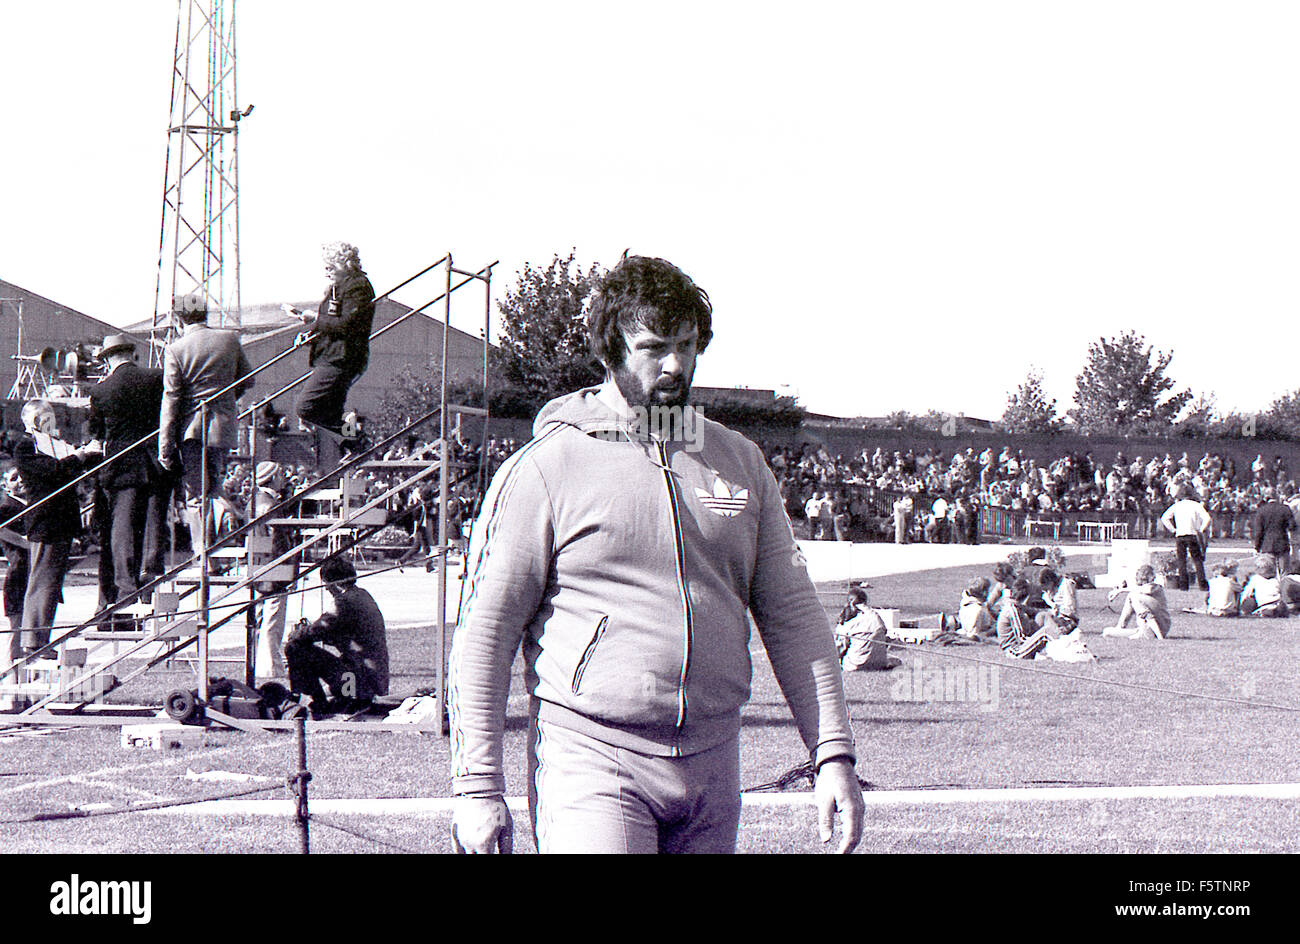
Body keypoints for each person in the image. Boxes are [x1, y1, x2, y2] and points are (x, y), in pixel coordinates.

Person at [448, 255, 863, 854]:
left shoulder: (740, 461)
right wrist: (477, 786)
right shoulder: (545, 469)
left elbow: (795, 616)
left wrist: (832, 755)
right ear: (609, 349)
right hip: (591, 758)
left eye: (689, 345)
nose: (675, 364)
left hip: (714, 762)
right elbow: (485, 633)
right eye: (653, 347)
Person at [5, 401, 101, 705]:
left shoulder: (55, 443)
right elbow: (52, 471)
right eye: (44, 417)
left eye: (51, 416)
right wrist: (78, 456)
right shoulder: (26, 445)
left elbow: (69, 469)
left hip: (61, 519)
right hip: (45, 520)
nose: (50, 421)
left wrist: (84, 455)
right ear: (32, 419)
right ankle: (34, 639)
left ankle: (40, 636)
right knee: (42, 580)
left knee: (51, 582)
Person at [157, 299, 253, 559]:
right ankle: (222, 535)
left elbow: (171, 400)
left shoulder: (176, 349)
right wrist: (226, 400)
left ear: (178, 320)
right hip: (223, 427)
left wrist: (165, 447)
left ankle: (203, 554)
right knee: (215, 486)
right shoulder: (230, 340)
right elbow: (248, 379)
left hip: (192, 431)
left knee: (196, 494)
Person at [87, 334, 168, 609]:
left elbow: (96, 433)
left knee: (122, 528)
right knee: (154, 522)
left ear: (108, 359)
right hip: (156, 460)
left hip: (120, 465)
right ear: (133, 354)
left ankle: (126, 586)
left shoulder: (100, 391)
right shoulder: (156, 378)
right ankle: (151, 575)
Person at [288, 242, 376, 450]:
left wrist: (314, 319)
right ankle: (354, 445)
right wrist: (311, 334)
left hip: (342, 359)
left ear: (346, 264)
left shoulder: (358, 287)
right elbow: (331, 324)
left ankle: (356, 440)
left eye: (331, 266)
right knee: (331, 413)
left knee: (306, 407)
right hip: (331, 355)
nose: (327, 271)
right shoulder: (336, 289)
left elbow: (346, 325)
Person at [284, 555, 387, 714]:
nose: (325, 588)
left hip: (357, 680)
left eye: (326, 583)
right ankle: (328, 700)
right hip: (373, 679)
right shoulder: (362, 595)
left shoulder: (344, 601)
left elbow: (317, 630)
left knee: (294, 648)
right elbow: (336, 632)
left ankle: (312, 700)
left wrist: (298, 632)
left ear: (336, 582)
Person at [251, 461, 298, 681]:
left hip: (259, 565)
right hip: (275, 568)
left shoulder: (255, 502)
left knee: (261, 619)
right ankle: (270, 667)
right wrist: (290, 569)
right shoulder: (270, 505)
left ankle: (259, 664)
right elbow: (280, 541)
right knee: (273, 621)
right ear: (273, 477)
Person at [1159, 485, 1211, 591]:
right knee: (1197, 560)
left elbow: (1164, 518)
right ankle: (1202, 584)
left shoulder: (1177, 505)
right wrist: (1201, 529)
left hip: (1180, 534)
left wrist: (1173, 529)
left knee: (1181, 560)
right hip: (1192, 534)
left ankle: (1183, 584)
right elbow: (1207, 518)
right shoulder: (1196, 505)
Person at [1104, 564, 1172, 639]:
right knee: (1107, 631)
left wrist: (1120, 590)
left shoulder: (1156, 587)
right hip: (1146, 629)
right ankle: (1121, 626)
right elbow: (1141, 589)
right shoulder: (1140, 591)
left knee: (1134, 597)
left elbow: (1147, 589)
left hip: (1157, 628)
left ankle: (1123, 628)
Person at [833, 587, 893, 670]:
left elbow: (839, 648)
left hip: (854, 665)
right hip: (880, 664)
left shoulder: (849, 624)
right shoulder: (876, 617)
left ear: (851, 603)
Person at [1252, 486, 1294, 578]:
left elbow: (1259, 531)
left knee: (1268, 572)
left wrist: (1256, 546)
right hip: (1282, 542)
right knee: (1284, 573)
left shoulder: (1261, 510)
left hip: (1267, 544)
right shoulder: (1285, 508)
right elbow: (1292, 526)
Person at [1036, 569, 1079, 635]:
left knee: (1043, 616)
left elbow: (1070, 609)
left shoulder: (1066, 584)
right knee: (1039, 616)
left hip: (1067, 620)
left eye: (1045, 585)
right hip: (1056, 616)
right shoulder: (1050, 590)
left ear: (1050, 581)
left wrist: (1057, 609)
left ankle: (1058, 635)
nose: (1045, 589)